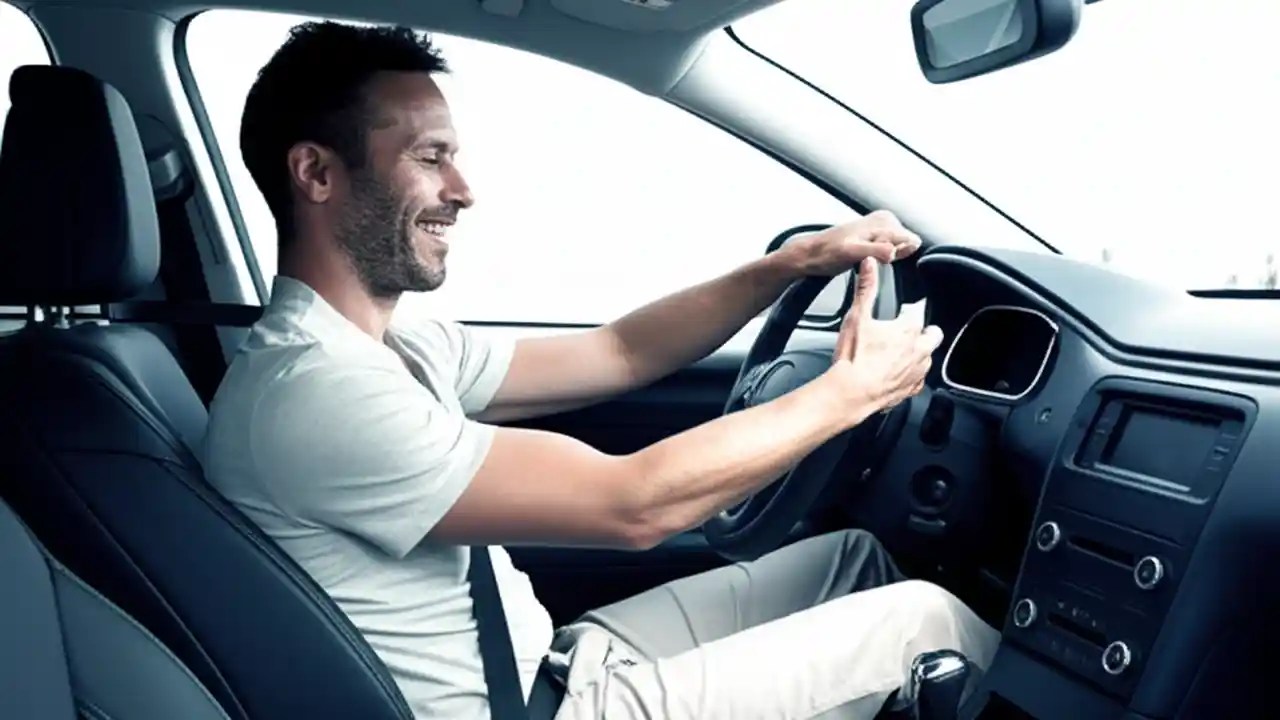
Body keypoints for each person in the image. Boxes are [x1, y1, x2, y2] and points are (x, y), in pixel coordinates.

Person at [201, 20, 1000, 720]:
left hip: (546, 666)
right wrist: (849, 393)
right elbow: (635, 505)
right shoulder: (316, 393)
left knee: (852, 562)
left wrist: (786, 267)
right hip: (542, 712)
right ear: (316, 174)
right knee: (924, 625)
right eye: (430, 157)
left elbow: (616, 352)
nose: (464, 190)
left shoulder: (390, 348)